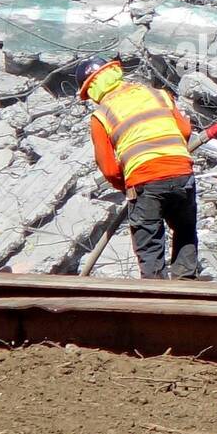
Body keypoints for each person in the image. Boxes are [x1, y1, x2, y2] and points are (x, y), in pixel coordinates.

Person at [78, 56, 199, 279]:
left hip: (144, 181)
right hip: (182, 173)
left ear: (92, 90)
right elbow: (184, 130)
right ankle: (188, 290)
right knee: (185, 233)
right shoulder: (158, 94)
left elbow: (109, 168)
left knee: (150, 247)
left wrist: (127, 187)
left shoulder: (101, 115)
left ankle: (158, 303)